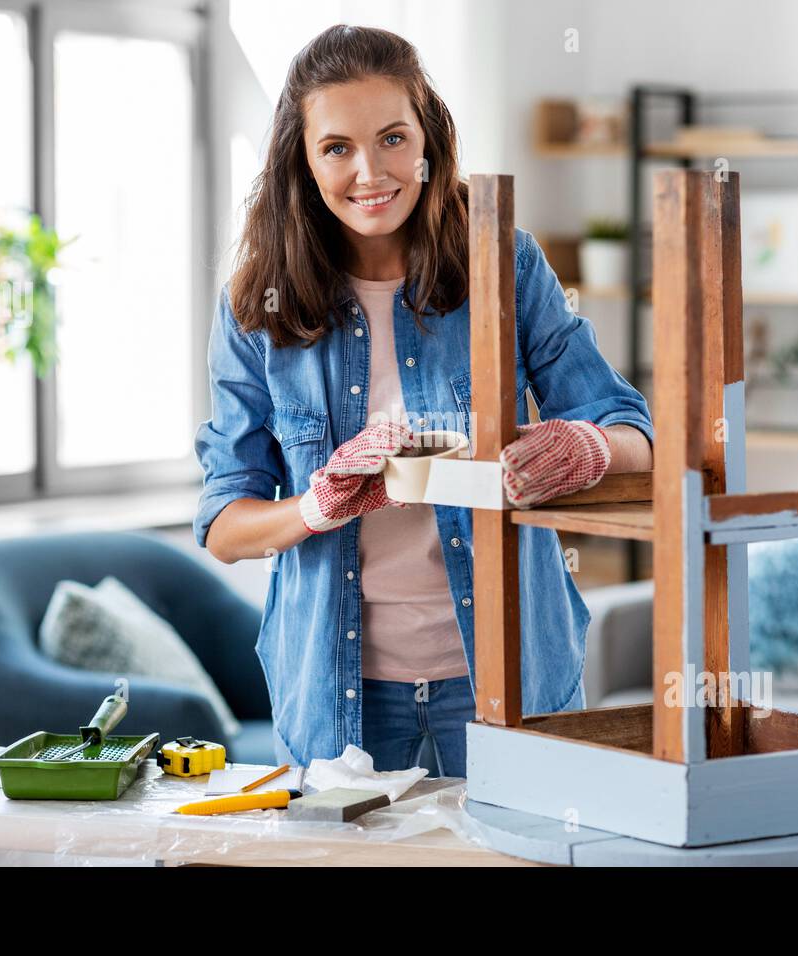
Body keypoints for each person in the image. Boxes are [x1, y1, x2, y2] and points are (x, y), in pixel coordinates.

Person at [193, 24, 653, 776]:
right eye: (336, 148)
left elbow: (633, 432)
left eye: (392, 138)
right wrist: (317, 504)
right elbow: (223, 525)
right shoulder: (255, 308)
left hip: (510, 673)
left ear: (429, 141)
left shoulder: (503, 262)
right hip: (337, 696)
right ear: (303, 163)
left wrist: (588, 447)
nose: (369, 172)